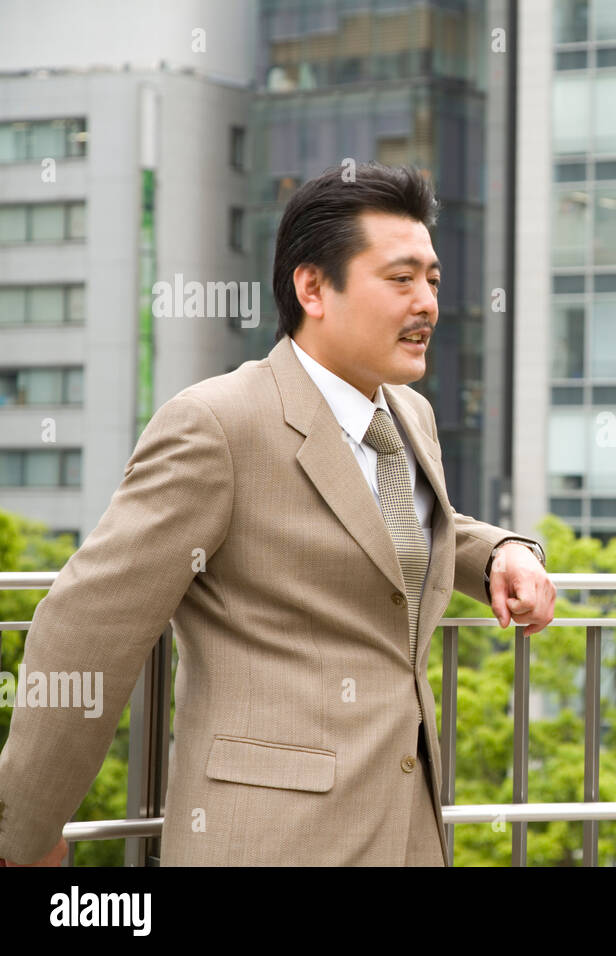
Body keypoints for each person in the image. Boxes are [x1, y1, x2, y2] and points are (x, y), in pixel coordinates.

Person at [0, 162, 555, 866]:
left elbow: (400, 522)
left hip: (408, 831)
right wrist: (24, 831)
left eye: (434, 280)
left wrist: (501, 551)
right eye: (401, 278)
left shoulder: (408, 412)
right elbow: (87, 628)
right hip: (269, 840)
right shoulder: (219, 423)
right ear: (313, 287)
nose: (428, 304)